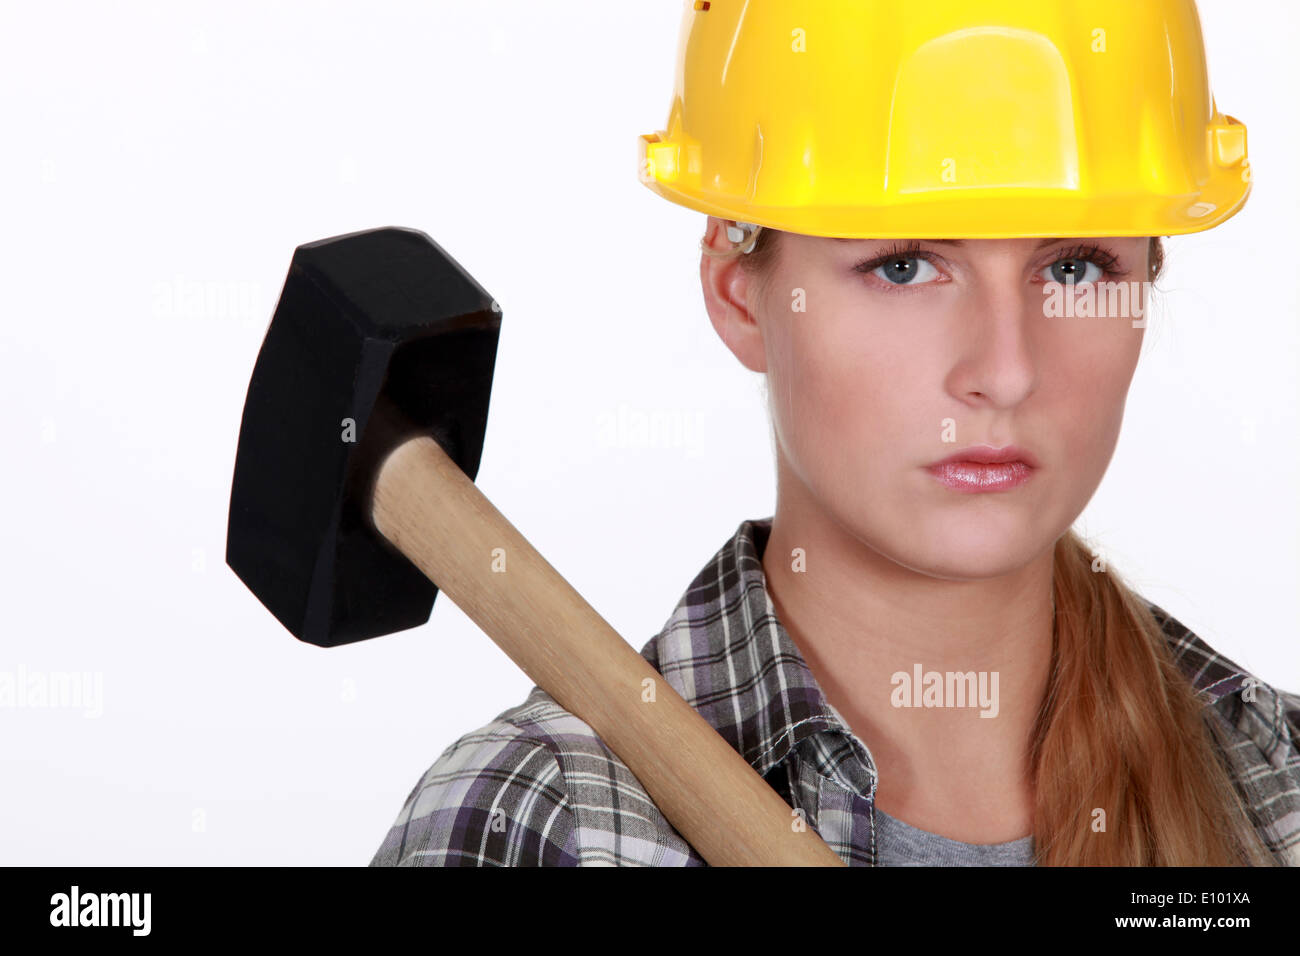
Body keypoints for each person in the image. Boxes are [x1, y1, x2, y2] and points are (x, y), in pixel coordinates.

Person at [369, 0, 1300, 866]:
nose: (1005, 370)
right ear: (740, 294)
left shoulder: (1278, 790)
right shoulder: (543, 828)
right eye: (903, 266)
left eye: (1073, 267)